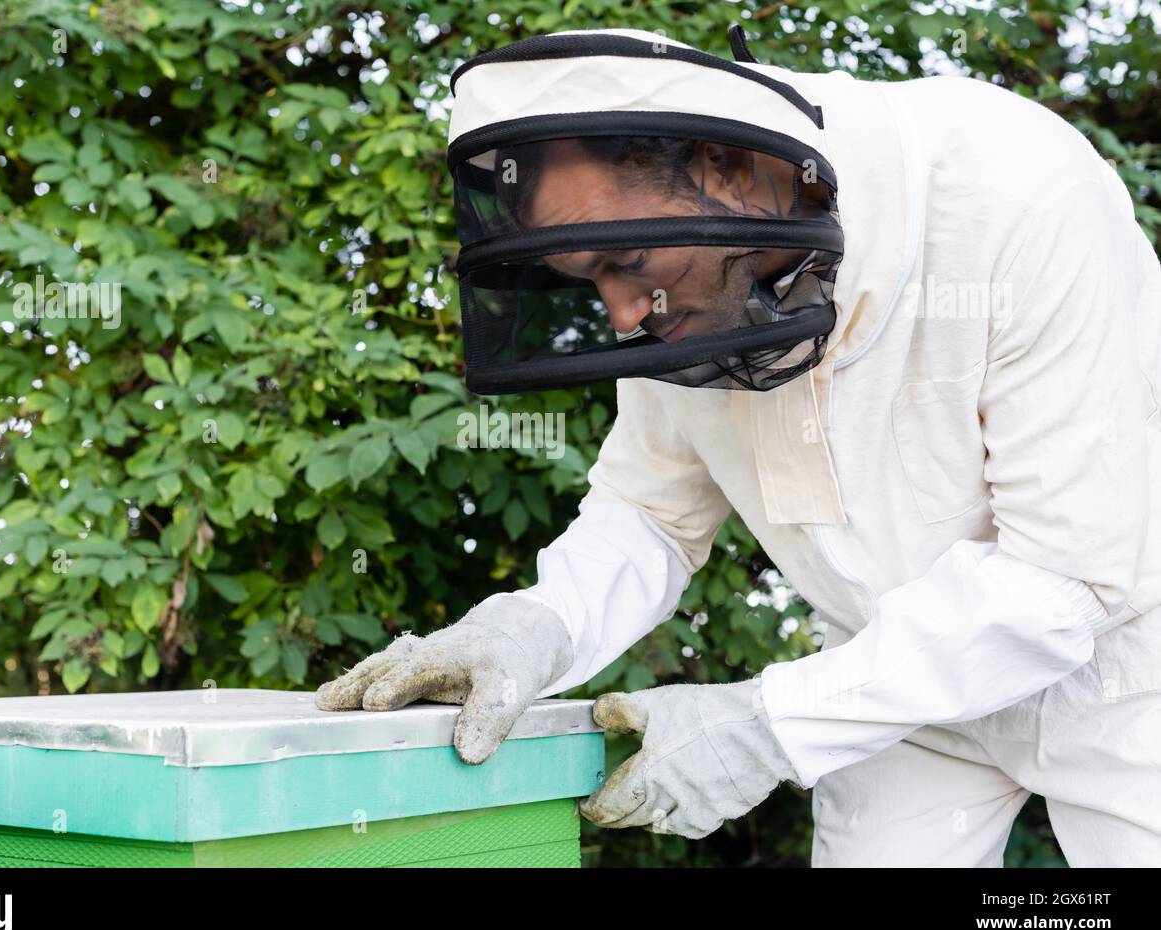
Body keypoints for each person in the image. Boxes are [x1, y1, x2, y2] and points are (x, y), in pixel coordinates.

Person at [316, 27, 1161, 866]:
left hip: (1124, 671)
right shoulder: (675, 304)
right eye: (590, 281)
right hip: (886, 691)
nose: (623, 313)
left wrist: (766, 724)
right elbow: (650, 513)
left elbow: (1068, 574)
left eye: (628, 259)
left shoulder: (1014, 193)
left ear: (721, 164)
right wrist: (535, 625)